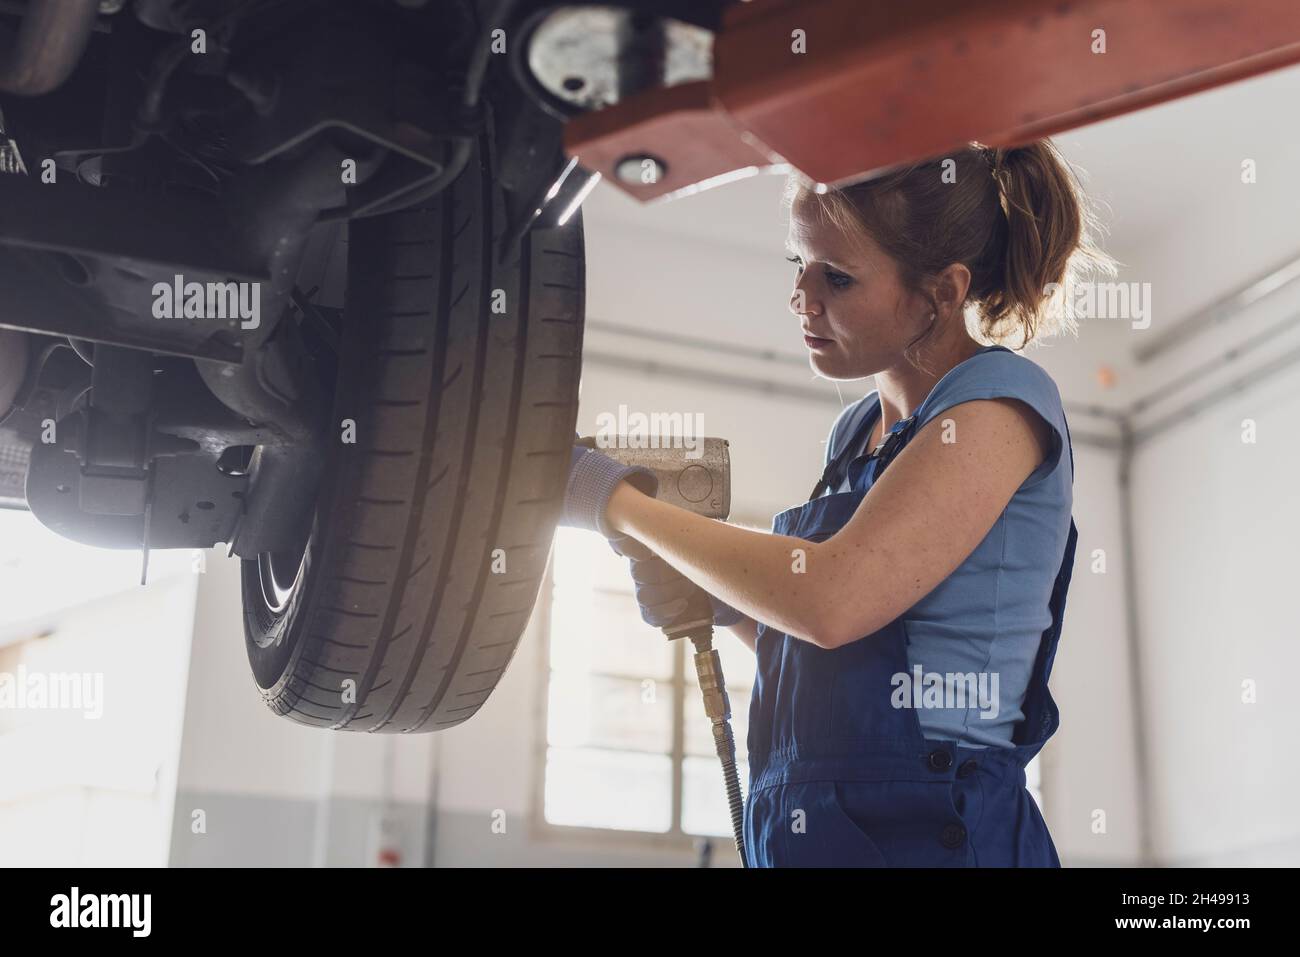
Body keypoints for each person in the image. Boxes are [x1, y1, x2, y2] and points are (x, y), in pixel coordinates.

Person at [560, 139, 1115, 867]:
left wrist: (614, 502)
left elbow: (831, 599)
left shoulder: (999, 407)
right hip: (826, 826)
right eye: (800, 264)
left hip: (934, 830)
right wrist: (729, 610)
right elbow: (844, 658)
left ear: (942, 293)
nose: (803, 297)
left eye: (839, 277)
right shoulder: (855, 435)